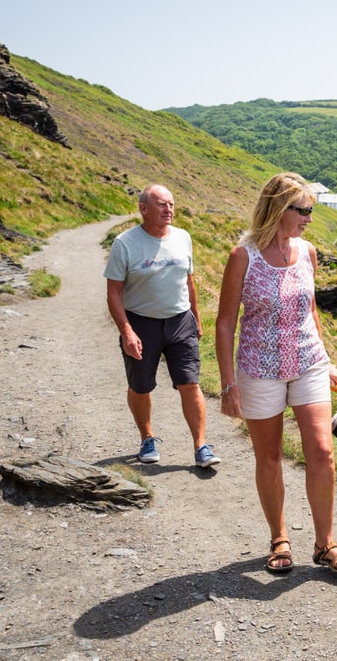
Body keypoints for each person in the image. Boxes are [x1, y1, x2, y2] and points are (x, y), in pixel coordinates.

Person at [214, 172, 337, 575]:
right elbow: (225, 323)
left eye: (311, 210)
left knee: (323, 453)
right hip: (259, 370)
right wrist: (229, 385)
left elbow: (311, 311)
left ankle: (325, 543)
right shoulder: (243, 256)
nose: (310, 218)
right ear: (279, 208)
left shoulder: (308, 252)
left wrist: (327, 360)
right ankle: (279, 537)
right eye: (304, 210)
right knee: (270, 455)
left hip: (308, 363)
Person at [105, 184, 219, 468]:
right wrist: (127, 331)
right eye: (161, 204)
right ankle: (147, 438)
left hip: (180, 322)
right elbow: (114, 292)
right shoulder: (125, 243)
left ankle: (201, 446)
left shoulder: (183, 237)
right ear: (143, 209)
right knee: (141, 386)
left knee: (190, 383)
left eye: (171, 204)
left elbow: (188, 281)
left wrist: (195, 316)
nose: (169, 209)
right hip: (141, 324)